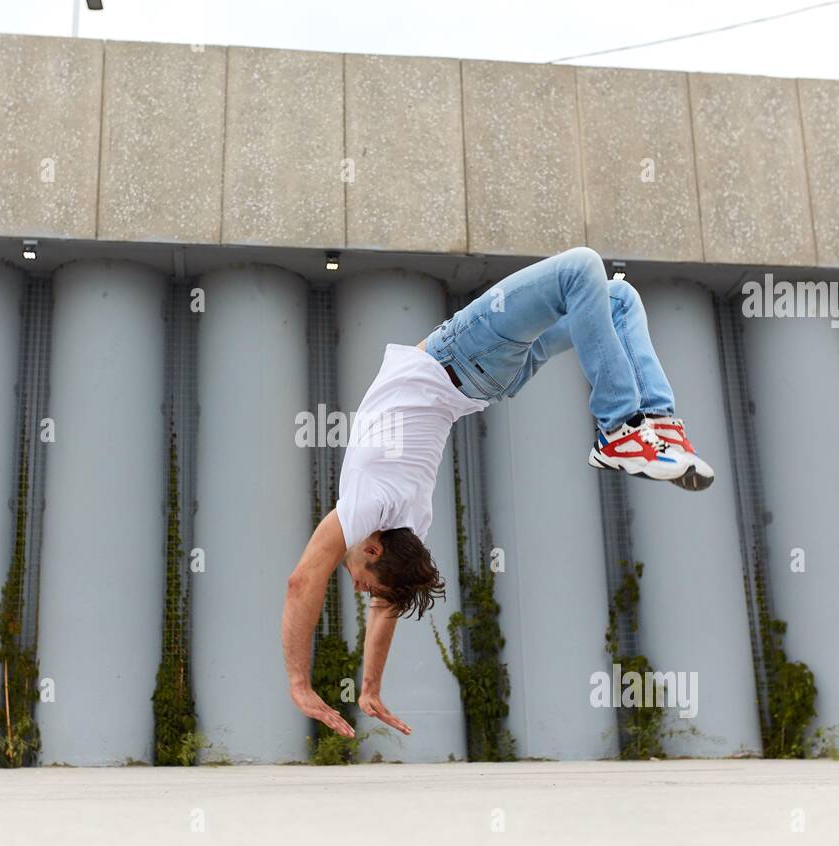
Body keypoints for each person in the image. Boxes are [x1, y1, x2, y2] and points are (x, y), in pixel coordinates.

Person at [282, 246, 714, 739]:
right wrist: (299, 683)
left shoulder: (414, 521)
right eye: (363, 584)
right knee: (582, 269)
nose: (356, 586)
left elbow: (385, 607)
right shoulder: (369, 509)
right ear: (376, 548)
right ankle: (622, 426)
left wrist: (371, 687)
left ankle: (654, 420)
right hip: (466, 355)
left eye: (363, 589)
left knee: (616, 298)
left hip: (493, 381)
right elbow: (304, 584)